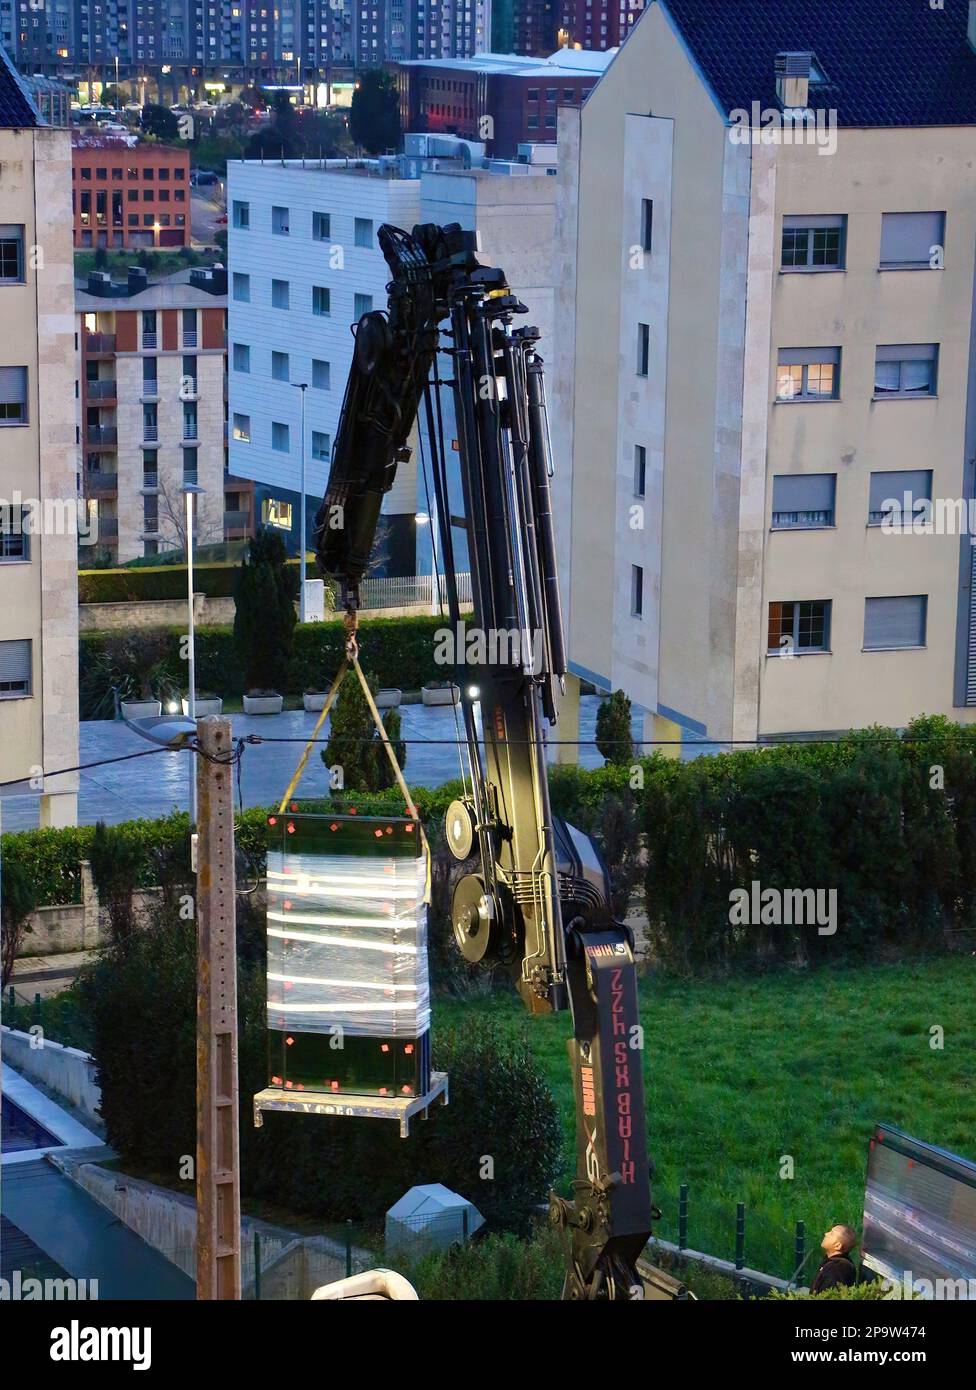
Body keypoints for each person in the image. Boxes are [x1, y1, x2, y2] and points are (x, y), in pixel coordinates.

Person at [810, 1224, 858, 1293]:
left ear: (838, 1246)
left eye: (831, 1234)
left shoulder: (837, 1268)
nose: (826, 1234)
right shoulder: (833, 1263)